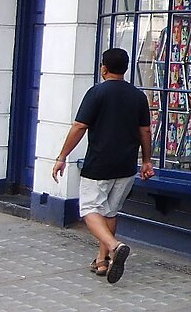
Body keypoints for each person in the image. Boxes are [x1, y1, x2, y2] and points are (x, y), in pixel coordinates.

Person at [52, 48, 154, 284]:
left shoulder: (97, 93)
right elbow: (145, 131)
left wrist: (62, 156)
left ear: (104, 69)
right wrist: (147, 160)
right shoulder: (138, 97)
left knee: (89, 210)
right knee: (109, 211)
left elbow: (79, 126)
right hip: (126, 165)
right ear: (126, 69)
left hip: (99, 164)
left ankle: (114, 246)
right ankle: (102, 260)